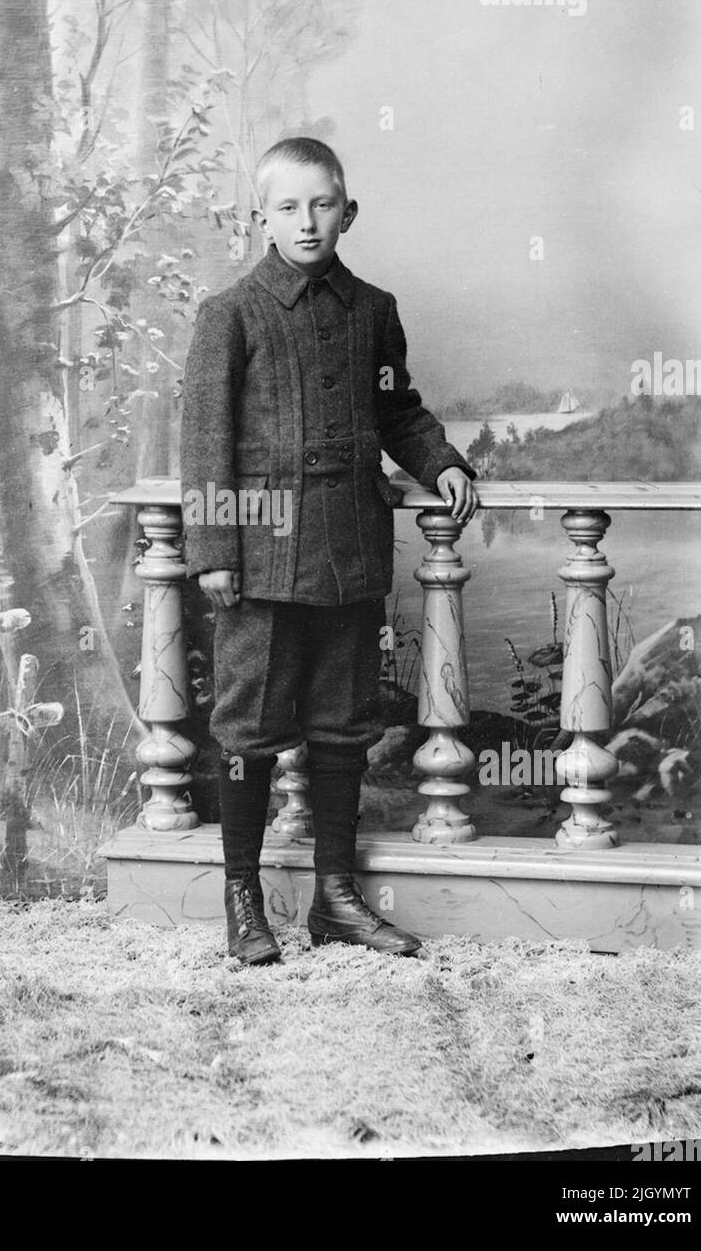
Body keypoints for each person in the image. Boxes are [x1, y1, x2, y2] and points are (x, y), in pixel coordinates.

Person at [180, 137, 478, 965]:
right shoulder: (230, 313)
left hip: (350, 553)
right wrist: (214, 550)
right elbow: (204, 443)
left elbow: (399, 412)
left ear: (348, 212)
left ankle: (337, 901)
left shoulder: (372, 310)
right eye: (287, 207)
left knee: (344, 727)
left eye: (322, 205)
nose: (306, 223)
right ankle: (243, 901)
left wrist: (442, 462)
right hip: (262, 563)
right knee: (249, 728)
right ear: (261, 217)